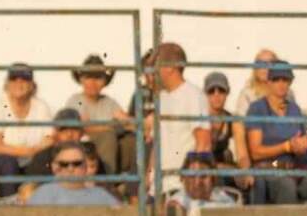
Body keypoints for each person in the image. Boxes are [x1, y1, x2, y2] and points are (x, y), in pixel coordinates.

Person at [244, 60, 307, 204]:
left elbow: (300, 141)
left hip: (295, 168)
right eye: (276, 79)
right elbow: (255, 151)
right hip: (268, 170)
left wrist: (304, 144)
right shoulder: (257, 108)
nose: (281, 83)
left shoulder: (294, 109)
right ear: (268, 82)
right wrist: (286, 146)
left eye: (285, 79)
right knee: (286, 187)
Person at [145, 42, 212, 197]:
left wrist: (193, 182)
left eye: (155, 65)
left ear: (170, 67)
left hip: (180, 188)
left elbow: (203, 142)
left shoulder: (193, 95)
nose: (151, 72)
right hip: (158, 188)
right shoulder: (162, 97)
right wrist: (149, 177)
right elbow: (157, 142)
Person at [0, 63, 54, 197]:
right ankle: (9, 207)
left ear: (32, 84)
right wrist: (28, 151)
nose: (19, 83)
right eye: (14, 79)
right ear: (7, 84)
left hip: (30, 159)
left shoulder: (41, 106)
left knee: (46, 160)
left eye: (24, 79)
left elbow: (50, 138)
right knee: (6, 162)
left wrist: (34, 153)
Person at [64, 54, 135, 183]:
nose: (93, 83)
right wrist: (112, 126)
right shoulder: (75, 101)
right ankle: (107, 184)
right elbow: (83, 128)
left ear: (104, 81)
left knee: (131, 141)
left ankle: (131, 187)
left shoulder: (109, 102)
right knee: (108, 137)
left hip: (107, 150)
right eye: (88, 77)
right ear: (81, 80)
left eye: (98, 78)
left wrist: (127, 124)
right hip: (84, 148)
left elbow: (128, 122)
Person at [203, 72, 254, 196]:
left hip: (227, 172)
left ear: (227, 92)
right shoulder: (200, 120)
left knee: (252, 183)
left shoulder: (233, 121)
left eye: (221, 90)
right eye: (211, 91)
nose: (216, 95)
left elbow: (242, 155)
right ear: (205, 94)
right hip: (205, 171)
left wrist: (245, 171)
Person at [26, 144, 119, 206]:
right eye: (64, 164)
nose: (71, 169)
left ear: (85, 166)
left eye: (77, 163)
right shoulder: (44, 193)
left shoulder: (101, 195)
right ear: (55, 167)